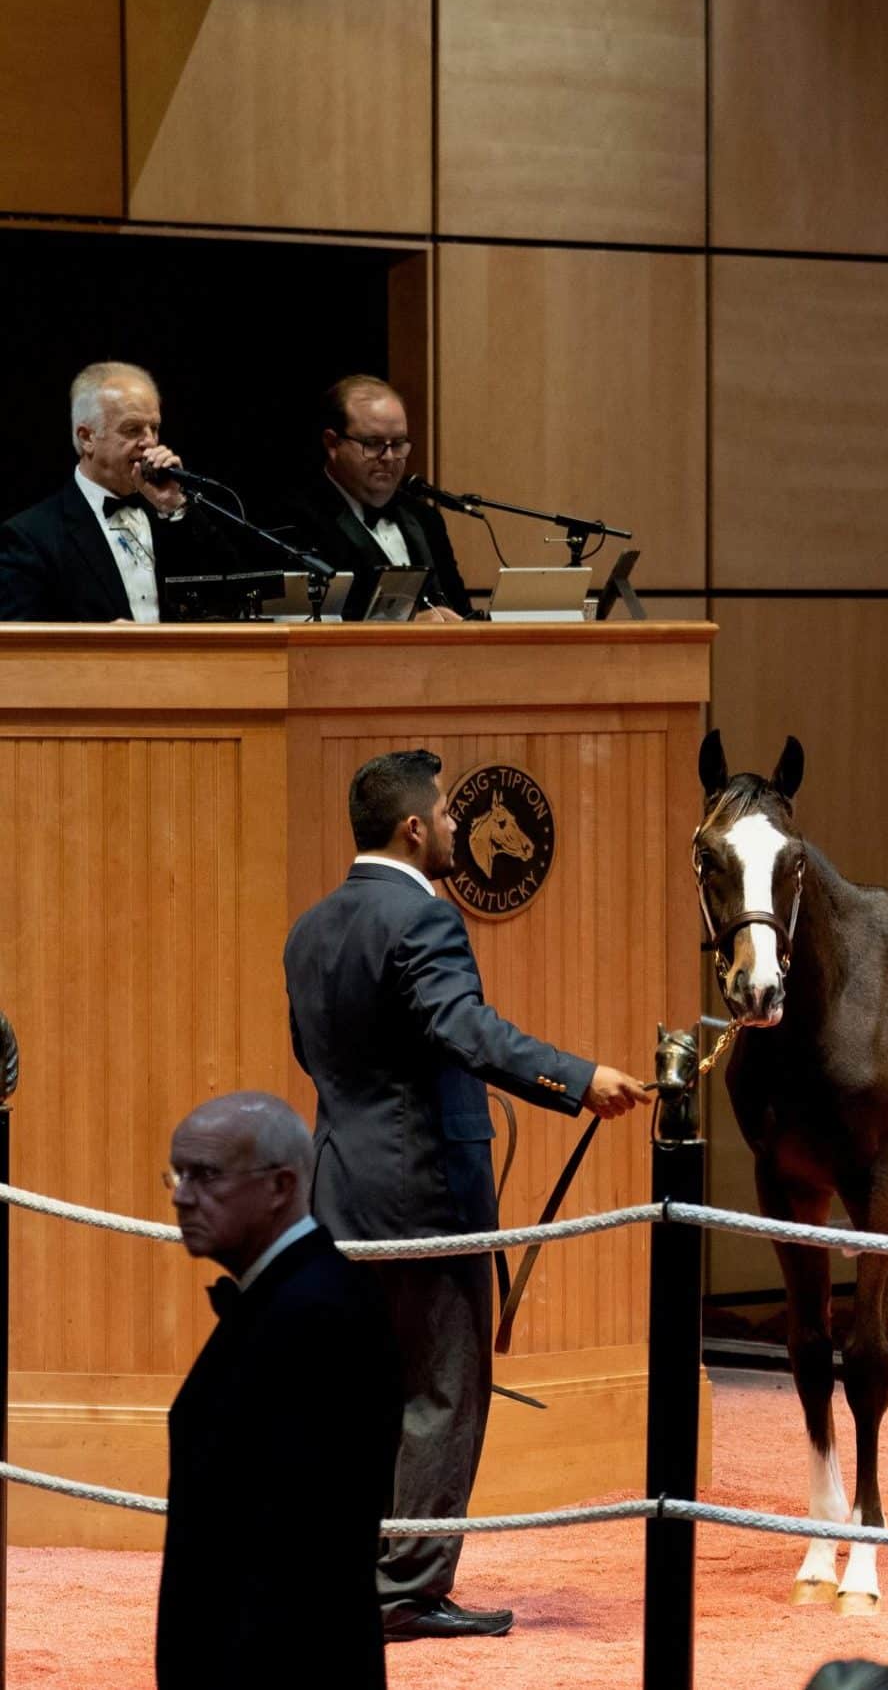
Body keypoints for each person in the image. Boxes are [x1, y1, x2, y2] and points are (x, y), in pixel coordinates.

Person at [283, 748, 651, 1642]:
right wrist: (577, 1077)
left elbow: (314, 1053)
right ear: (414, 828)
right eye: (447, 812)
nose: (454, 823)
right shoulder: (424, 921)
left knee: (365, 1394)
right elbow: (464, 1028)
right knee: (441, 1391)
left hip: (339, 1190)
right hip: (427, 1200)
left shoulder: (312, 926)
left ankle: (351, 1577)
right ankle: (405, 1590)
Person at [157, 1090, 402, 1690]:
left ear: (279, 1186)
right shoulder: (295, 1298)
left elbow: (297, 1556)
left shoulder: (318, 1313)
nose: (182, 1195)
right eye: (177, 1173)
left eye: (206, 1175)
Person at [0, 361, 217, 623]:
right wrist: (98, 643)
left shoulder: (171, 514)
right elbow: (21, 650)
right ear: (87, 438)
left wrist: (175, 507)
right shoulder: (30, 537)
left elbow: (232, 594)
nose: (149, 442)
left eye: (154, 428)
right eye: (132, 429)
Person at [278, 374, 470, 621]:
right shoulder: (296, 520)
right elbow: (304, 626)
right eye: (373, 443)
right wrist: (409, 628)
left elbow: (461, 608)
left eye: (398, 443)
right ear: (333, 443)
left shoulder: (426, 518)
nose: (389, 457)